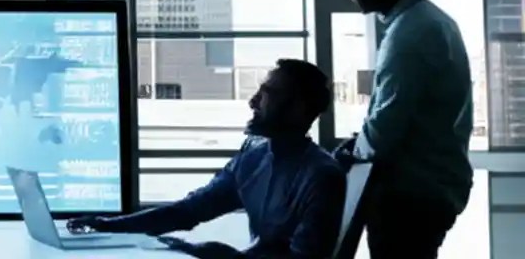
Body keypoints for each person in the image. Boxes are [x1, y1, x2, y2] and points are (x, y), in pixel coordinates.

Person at [68, 59, 345, 259]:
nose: (252, 102)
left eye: (266, 94)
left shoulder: (322, 177)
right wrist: (109, 224)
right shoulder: (252, 159)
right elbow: (188, 211)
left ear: (298, 109)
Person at [336, 0, 473, 259]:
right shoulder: (434, 22)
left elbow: (385, 129)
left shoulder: (408, 36)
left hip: (410, 197)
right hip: (433, 189)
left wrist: (353, 149)